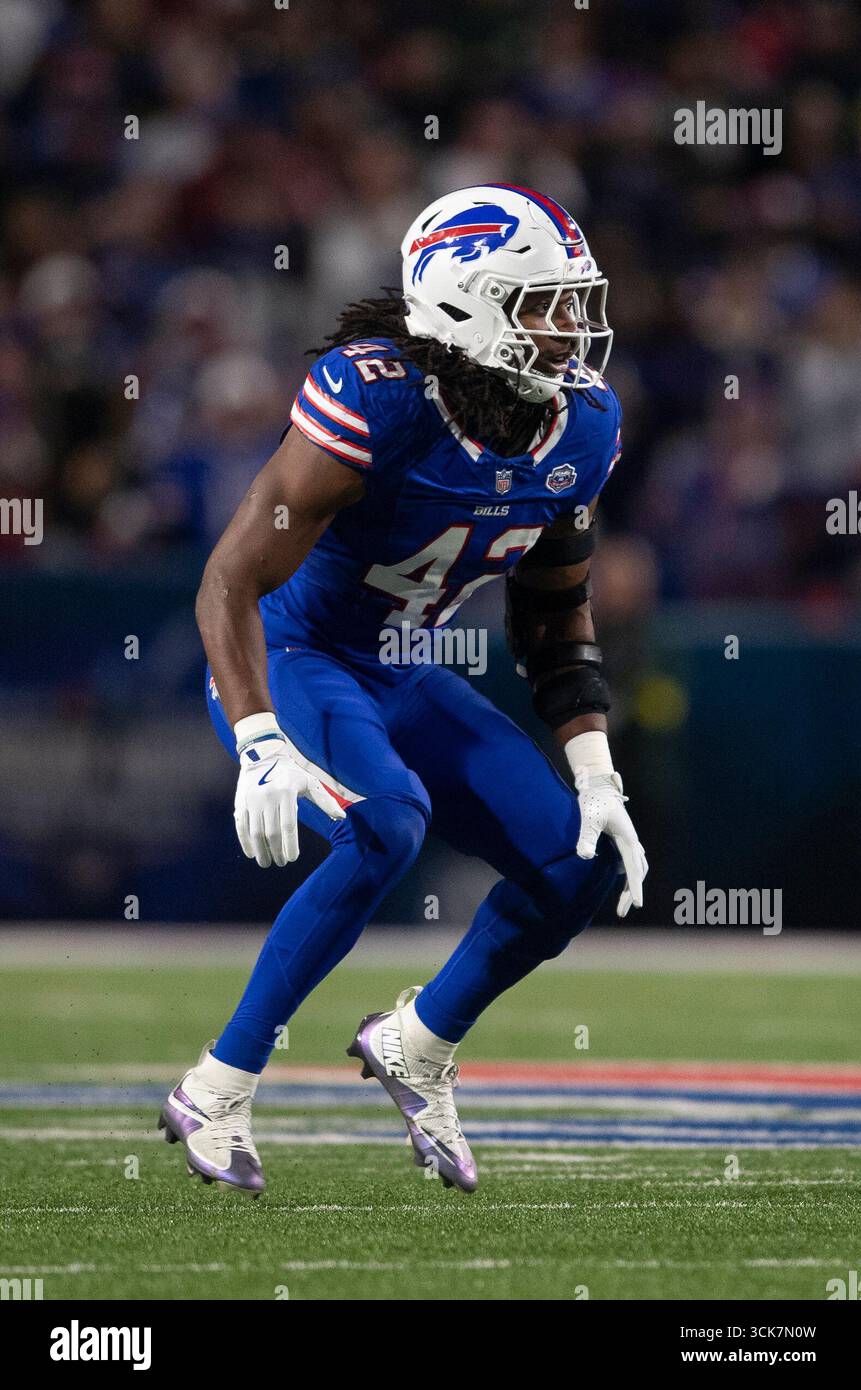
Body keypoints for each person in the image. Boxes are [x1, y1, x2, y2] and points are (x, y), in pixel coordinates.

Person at [159, 184, 648, 1195]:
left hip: (398, 668)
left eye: (571, 300)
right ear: (468, 303)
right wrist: (257, 735)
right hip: (292, 655)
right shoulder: (377, 397)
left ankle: (416, 1042)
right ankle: (218, 1081)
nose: (570, 328)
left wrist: (595, 770)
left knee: (577, 862)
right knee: (385, 823)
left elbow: (552, 613)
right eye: (541, 303)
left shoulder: (581, 428)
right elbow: (230, 578)